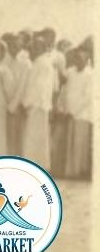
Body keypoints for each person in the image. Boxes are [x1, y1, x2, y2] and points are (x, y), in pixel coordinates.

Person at [20, 36, 55, 170]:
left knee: (34, 138)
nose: (32, 50)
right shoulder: (41, 62)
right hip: (38, 105)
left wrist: (27, 102)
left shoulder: (42, 63)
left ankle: (35, 166)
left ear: (41, 48)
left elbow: (39, 87)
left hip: (37, 105)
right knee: (35, 138)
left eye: (34, 47)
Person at [62, 47, 92, 179]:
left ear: (87, 60)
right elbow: (65, 90)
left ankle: (80, 171)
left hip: (82, 114)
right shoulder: (70, 72)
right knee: (70, 143)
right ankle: (71, 171)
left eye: (82, 59)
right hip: (69, 112)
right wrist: (66, 109)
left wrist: (74, 111)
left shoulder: (90, 74)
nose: (79, 61)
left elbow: (88, 97)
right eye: (77, 58)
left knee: (80, 143)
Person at [1, 34, 31, 155]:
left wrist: (13, 106)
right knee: (6, 138)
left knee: (17, 138)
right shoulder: (4, 61)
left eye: (16, 45)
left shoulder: (25, 63)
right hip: (4, 104)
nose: (13, 48)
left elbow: (22, 87)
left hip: (17, 106)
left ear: (20, 47)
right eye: (11, 45)